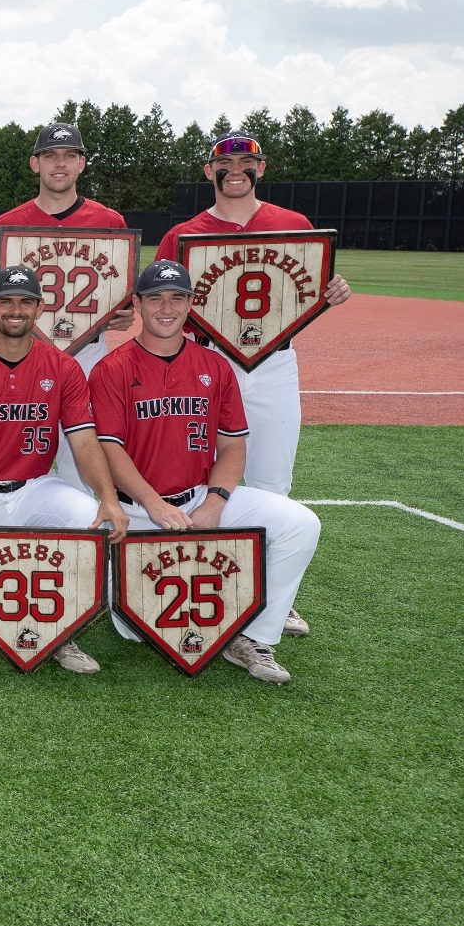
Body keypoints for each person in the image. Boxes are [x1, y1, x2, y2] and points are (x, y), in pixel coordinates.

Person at [88, 259, 322, 684]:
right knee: (133, 631)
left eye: (176, 297)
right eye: (155, 297)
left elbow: (233, 445)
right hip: (138, 511)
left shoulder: (214, 366)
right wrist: (153, 503)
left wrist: (216, 501)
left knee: (300, 523)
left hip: (197, 497)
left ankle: (253, 636)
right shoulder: (112, 368)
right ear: (138, 304)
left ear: (191, 304)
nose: (166, 307)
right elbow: (110, 448)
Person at [155, 132, 351, 636]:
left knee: (272, 484)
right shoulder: (184, 234)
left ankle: (275, 599)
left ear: (261, 168)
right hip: (207, 363)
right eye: (226, 163)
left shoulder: (294, 225)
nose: (235, 171)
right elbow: (162, 301)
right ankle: (207, 579)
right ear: (209, 172)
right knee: (197, 476)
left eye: (246, 162)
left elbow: (303, 292)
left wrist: (331, 292)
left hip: (273, 365)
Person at [0, 263, 129, 675]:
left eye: (25, 302)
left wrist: (108, 497)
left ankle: (62, 631)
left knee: (93, 521)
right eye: (6, 302)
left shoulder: (63, 367)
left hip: (35, 486)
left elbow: (84, 441)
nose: (15, 310)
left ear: (39, 308)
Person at [0, 122, 133, 490]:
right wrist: (12, 318)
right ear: (35, 164)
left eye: (69, 155)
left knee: (83, 463)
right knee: (22, 459)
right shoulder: (6, 224)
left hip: (88, 352)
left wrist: (123, 314)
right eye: (50, 156)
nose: (59, 163)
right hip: (27, 354)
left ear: (81, 163)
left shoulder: (110, 222)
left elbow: (121, 298)